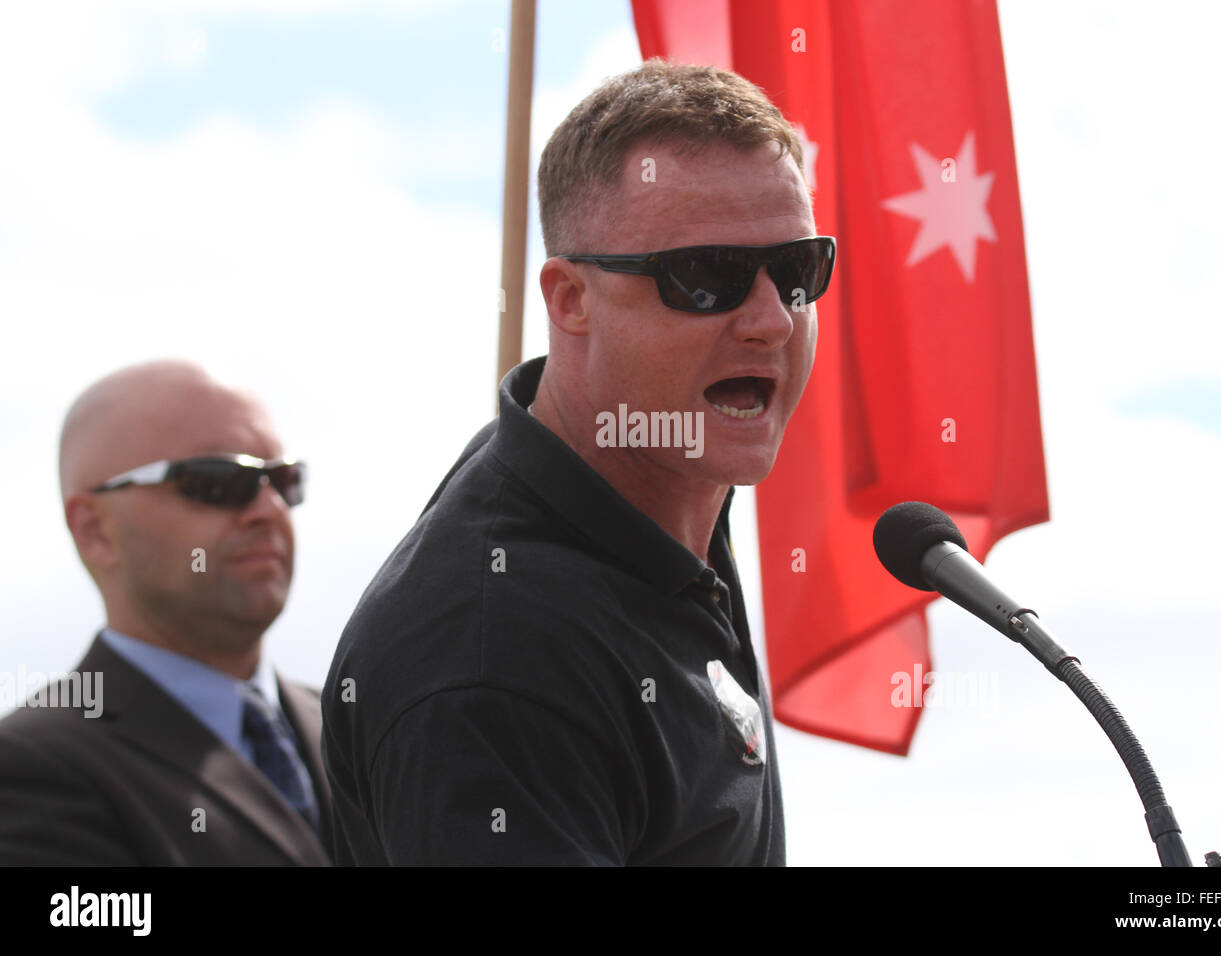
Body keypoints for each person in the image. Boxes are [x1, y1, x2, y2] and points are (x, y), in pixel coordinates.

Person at [324, 60, 835, 865]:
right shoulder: (496, 656)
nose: (771, 319)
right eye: (707, 278)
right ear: (570, 301)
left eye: (798, 270)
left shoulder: (661, 493)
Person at [0, 360, 332, 865]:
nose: (269, 510)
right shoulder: (32, 769)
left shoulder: (362, 728)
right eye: (217, 481)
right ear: (94, 528)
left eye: (283, 480)